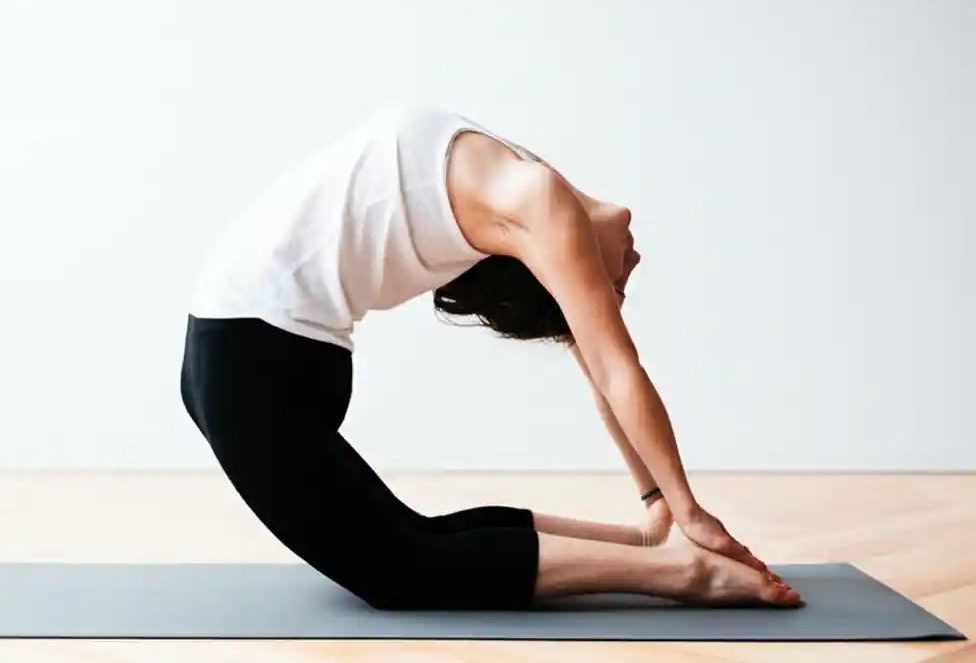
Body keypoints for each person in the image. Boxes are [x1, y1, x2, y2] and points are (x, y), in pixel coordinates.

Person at [178, 103, 802, 611]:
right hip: (249, 353)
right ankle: (683, 574)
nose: (624, 283)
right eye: (616, 290)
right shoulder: (533, 195)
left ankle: (648, 552)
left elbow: (601, 374)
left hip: (254, 353)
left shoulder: (521, 186)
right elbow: (616, 368)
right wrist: (688, 511)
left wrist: (654, 504)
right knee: (400, 566)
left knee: (408, 551)